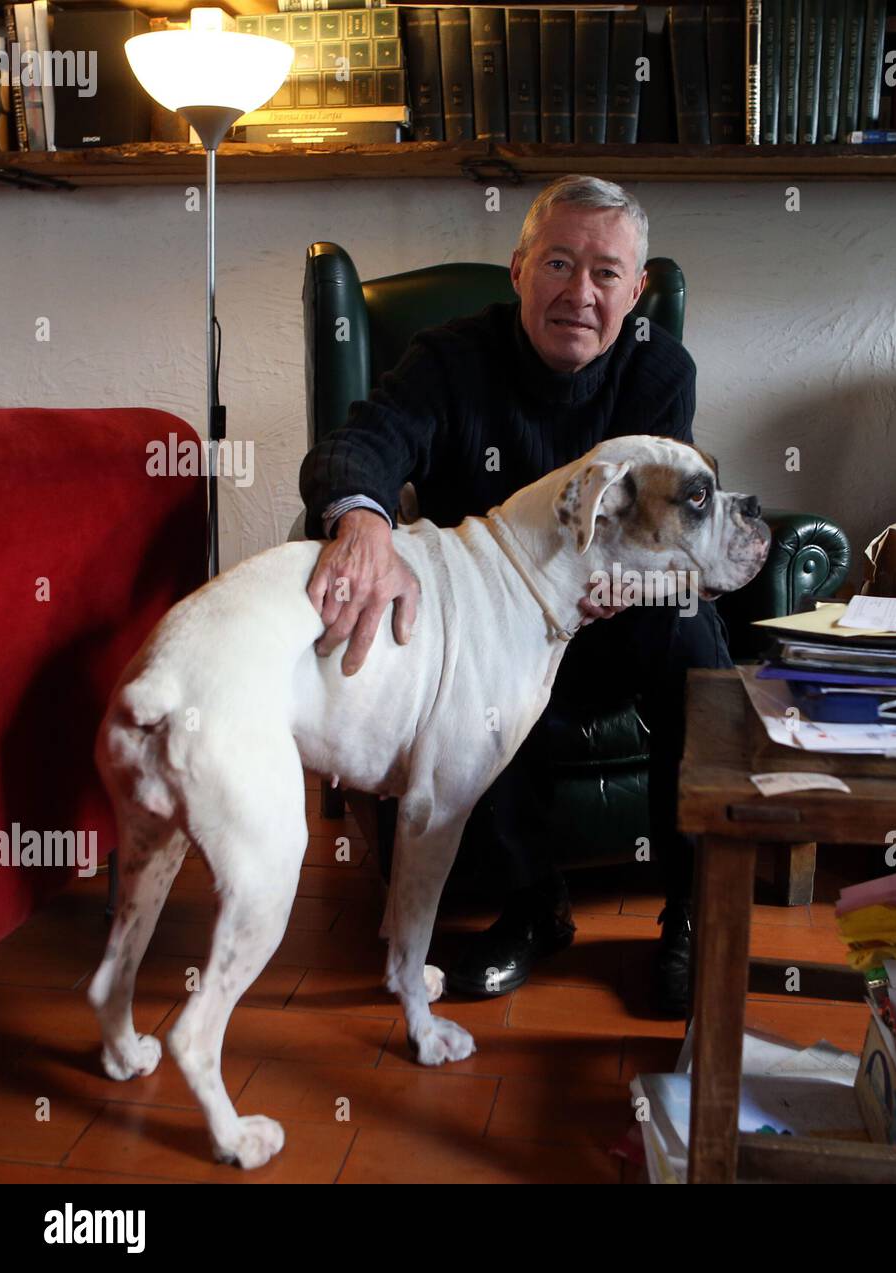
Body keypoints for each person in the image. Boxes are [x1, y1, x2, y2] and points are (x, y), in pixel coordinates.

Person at [298, 174, 733, 1017]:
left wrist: (620, 583)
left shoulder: (658, 370)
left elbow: (668, 526)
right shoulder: (449, 359)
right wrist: (362, 518)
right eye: (559, 263)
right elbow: (360, 444)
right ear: (518, 269)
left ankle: (689, 910)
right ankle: (534, 906)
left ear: (635, 291)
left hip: (617, 621)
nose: (580, 293)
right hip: (487, 637)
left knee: (693, 635)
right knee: (486, 666)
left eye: (606, 274)